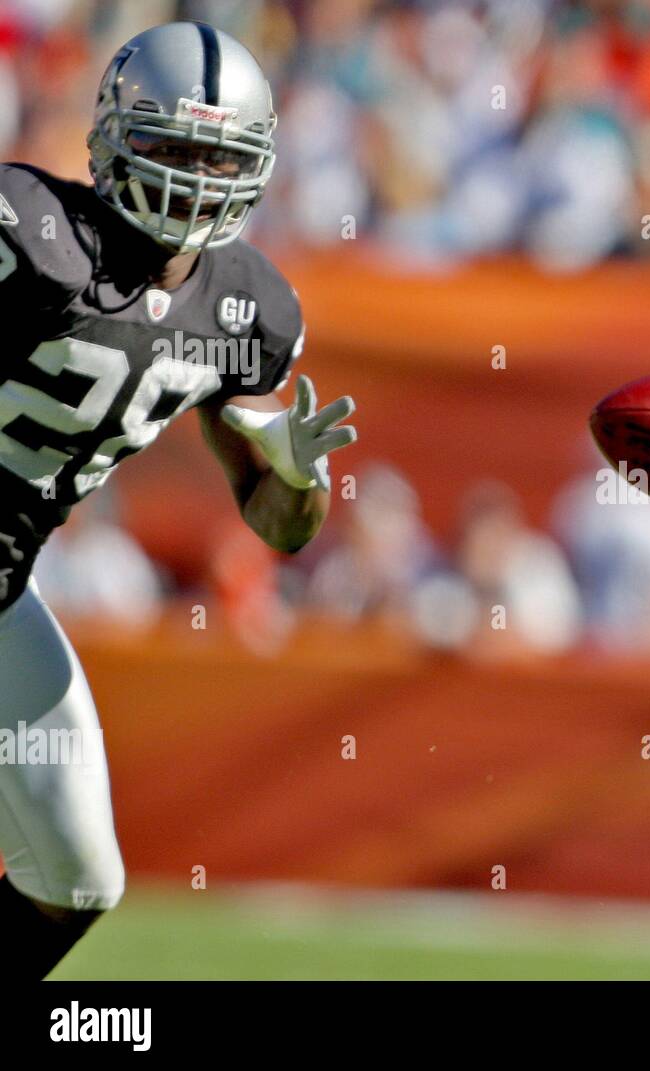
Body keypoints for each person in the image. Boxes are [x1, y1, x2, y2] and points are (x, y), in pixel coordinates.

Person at [0, 21, 358, 978]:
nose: (194, 174)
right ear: (112, 137)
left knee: (74, 878)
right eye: (169, 146)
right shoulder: (27, 233)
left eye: (218, 154)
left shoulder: (247, 309)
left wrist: (293, 474)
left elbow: (280, 528)